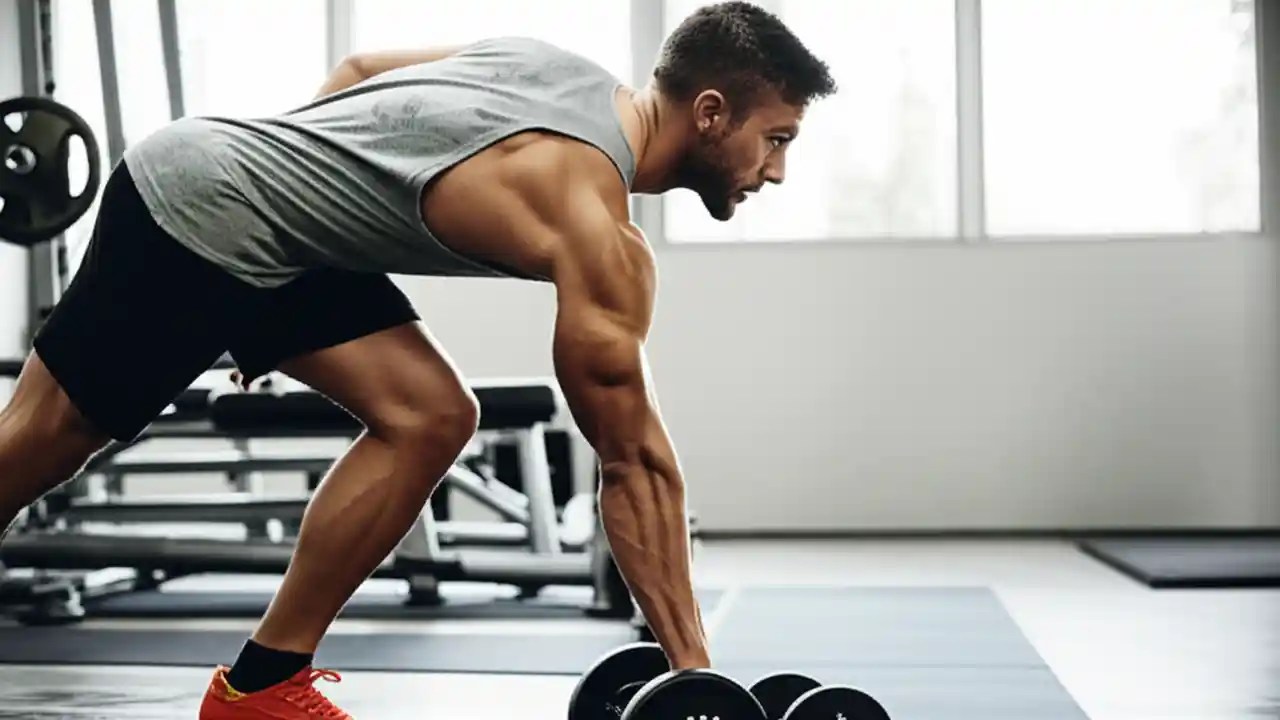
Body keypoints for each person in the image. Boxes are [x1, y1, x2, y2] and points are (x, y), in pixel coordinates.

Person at [0, 2, 835, 717]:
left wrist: (292, 211)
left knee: (431, 417)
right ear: (713, 113)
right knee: (45, 441)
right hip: (195, 208)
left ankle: (261, 688)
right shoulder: (593, 224)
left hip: (278, 234)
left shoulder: (550, 66)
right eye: (776, 139)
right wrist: (695, 680)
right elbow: (634, 462)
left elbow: (360, 67)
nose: (779, 171)